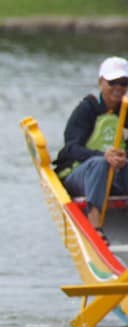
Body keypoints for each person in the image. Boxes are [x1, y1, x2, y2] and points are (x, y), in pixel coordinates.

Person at [54, 56, 128, 239]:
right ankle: (95, 226)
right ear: (101, 82)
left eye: (124, 82)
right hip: (82, 176)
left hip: (116, 178)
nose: (118, 88)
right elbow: (71, 148)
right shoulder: (87, 109)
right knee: (100, 163)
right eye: (113, 82)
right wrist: (104, 155)